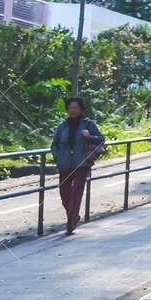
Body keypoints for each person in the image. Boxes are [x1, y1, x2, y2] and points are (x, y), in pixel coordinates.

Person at [50, 97, 105, 236]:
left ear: (81, 109)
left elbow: (101, 139)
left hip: (82, 163)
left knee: (76, 192)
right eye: (70, 108)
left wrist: (89, 137)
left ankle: (71, 222)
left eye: (75, 107)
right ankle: (73, 216)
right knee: (64, 193)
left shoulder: (88, 124)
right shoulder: (62, 126)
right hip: (65, 164)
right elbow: (54, 144)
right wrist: (58, 157)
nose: (72, 110)